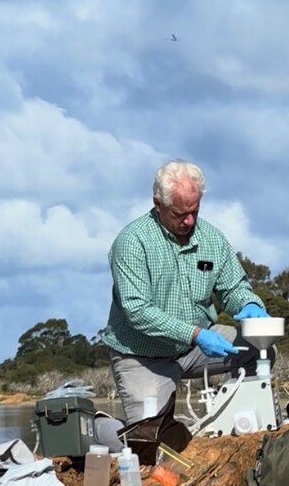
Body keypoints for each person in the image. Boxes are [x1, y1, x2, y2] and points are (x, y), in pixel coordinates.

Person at [101, 159, 270, 425]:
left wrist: (249, 304)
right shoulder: (132, 242)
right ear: (158, 204)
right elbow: (137, 311)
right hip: (143, 356)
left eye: (195, 210)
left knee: (259, 349)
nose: (189, 220)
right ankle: (108, 430)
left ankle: (241, 421)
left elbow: (234, 287)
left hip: (197, 346)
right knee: (151, 438)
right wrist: (194, 334)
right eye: (180, 214)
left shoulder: (212, 239)